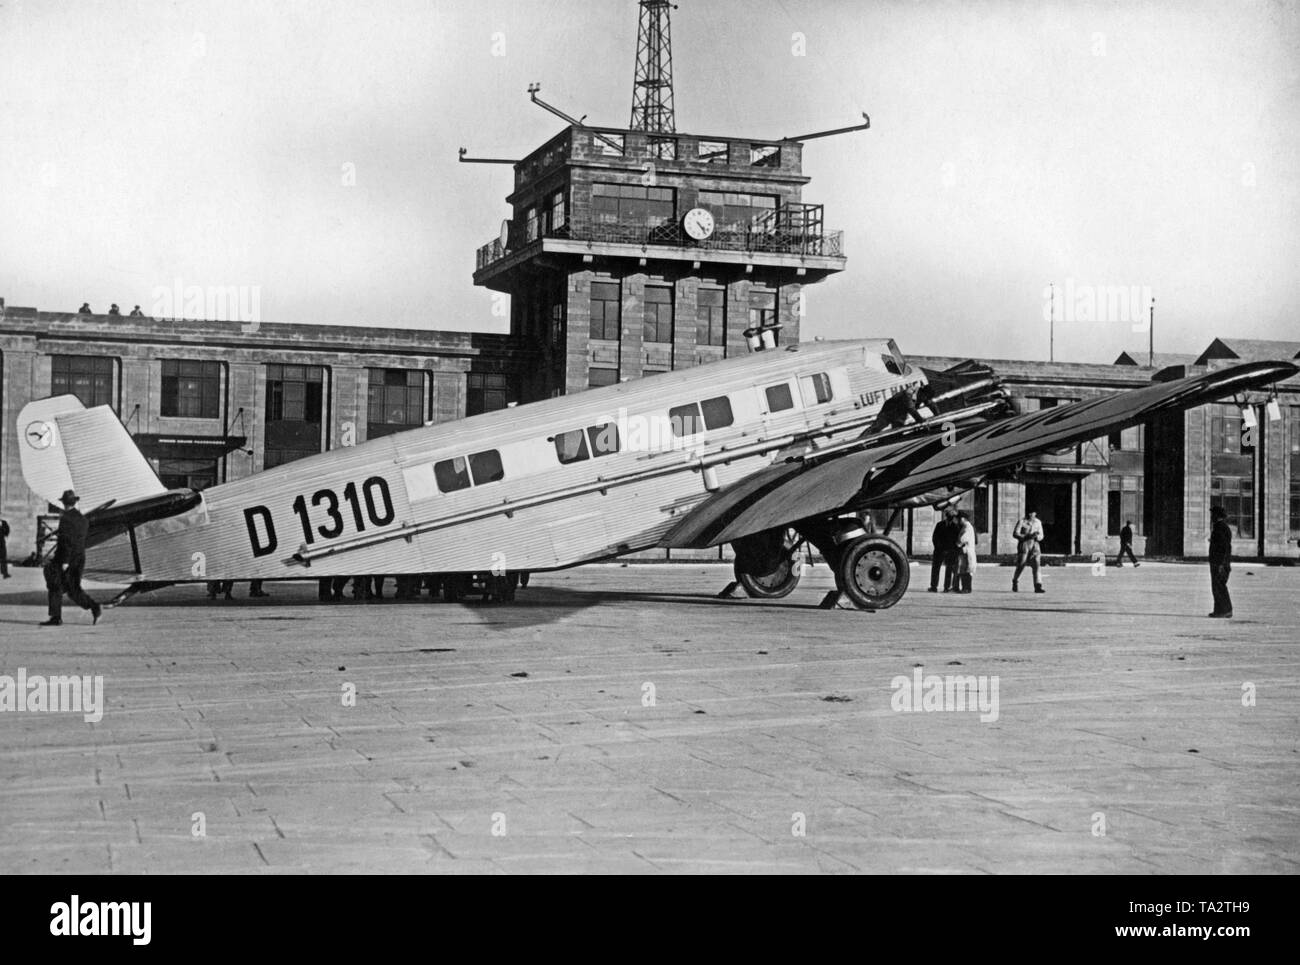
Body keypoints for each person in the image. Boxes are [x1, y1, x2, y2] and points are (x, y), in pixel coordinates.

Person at [41, 490, 102, 626]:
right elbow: (79, 541)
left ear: (64, 503)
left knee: (55, 585)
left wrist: (65, 561)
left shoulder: (66, 519)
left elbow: (66, 541)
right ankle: (95, 607)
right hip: (79, 558)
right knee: (74, 589)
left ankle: (56, 618)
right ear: (74, 502)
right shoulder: (83, 519)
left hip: (65, 558)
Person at [1011, 510, 1046, 593]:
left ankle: (1038, 585)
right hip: (1024, 544)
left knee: (1036, 565)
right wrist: (1026, 536)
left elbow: (1041, 535)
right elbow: (1015, 533)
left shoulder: (1038, 522)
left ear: (1035, 513)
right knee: (1021, 564)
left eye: (1033, 513)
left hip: (1035, 545)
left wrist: (1037, 536)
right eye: (1029, 513)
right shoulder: (1022, 521)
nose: (1031, 514)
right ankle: (1015, 580)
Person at [1208, 505, 1233, 618]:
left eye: (1213, 514)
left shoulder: (1221, 528)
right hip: (1218, 562)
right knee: (1217, 587)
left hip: (1220, 563)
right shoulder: (1219, 526)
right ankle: (1219, 610)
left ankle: (1225, 610)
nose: (1211, 516)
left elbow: (1224, 548)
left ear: (1217, 515)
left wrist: (1221, 564)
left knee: (1219, 587)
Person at [928, 508, 959, 592]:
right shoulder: (940, 524)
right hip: (939, 550)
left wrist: (951, 549)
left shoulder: (955, 526)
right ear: (946, 516)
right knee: (935, 569)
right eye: (949, 516)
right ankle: (934, 586)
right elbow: (935, 537)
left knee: (949, 569)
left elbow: (956, 539)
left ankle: (946, 587)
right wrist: (939, 547)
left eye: (952, 516)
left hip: (950, 551)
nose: (951, 518)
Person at [954, 511, 978, 593]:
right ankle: (966, 588)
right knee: (965, 570)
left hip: (967, 551)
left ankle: (966, 588)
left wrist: (958, 543)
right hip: (965, 551)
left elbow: (963, 538)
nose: (958, 520)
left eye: (959, 518)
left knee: (966, 571)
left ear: (963, 518)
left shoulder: (967, 526)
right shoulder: (966, 526)